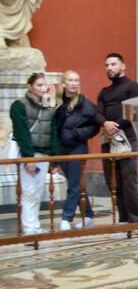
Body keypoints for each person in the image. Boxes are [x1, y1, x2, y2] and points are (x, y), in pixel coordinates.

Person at [9, 72, 59, 235]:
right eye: (39, 85)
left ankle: (35, 225)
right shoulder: (19, 105)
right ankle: (29, 229)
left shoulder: (47, 104)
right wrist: (28, 157)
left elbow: (52, 130)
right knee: (29, 191)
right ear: (30, 87)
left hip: (44, 154)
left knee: (37, 192)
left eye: (45, 85)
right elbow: (22, 133)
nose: (43, 88)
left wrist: (53, 158)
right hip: (29, 154)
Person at [97, 53, 138, 224]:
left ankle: (136, 220)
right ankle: (124, 218)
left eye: (113, 64)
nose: (109, 68)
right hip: (109, 139)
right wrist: (105, 124)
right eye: (107, 65)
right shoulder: (104, 92)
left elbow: (134, 110)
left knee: (128, 181)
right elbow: (98, 113)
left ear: (123, 66)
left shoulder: (134, 87)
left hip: (127, 138)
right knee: (112, 182)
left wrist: (113, 126)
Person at [54, 70, 100, 230]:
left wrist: (77, 134)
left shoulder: (84, 104)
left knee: (73, 184)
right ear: (64, 83)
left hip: (77, 148)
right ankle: (88, 216)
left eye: (76, 80)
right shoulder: (58, 103)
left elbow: (95, 125)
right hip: (62, 149)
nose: (74, 83)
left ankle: (66, 218)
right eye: (70, 80)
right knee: (77, 184)